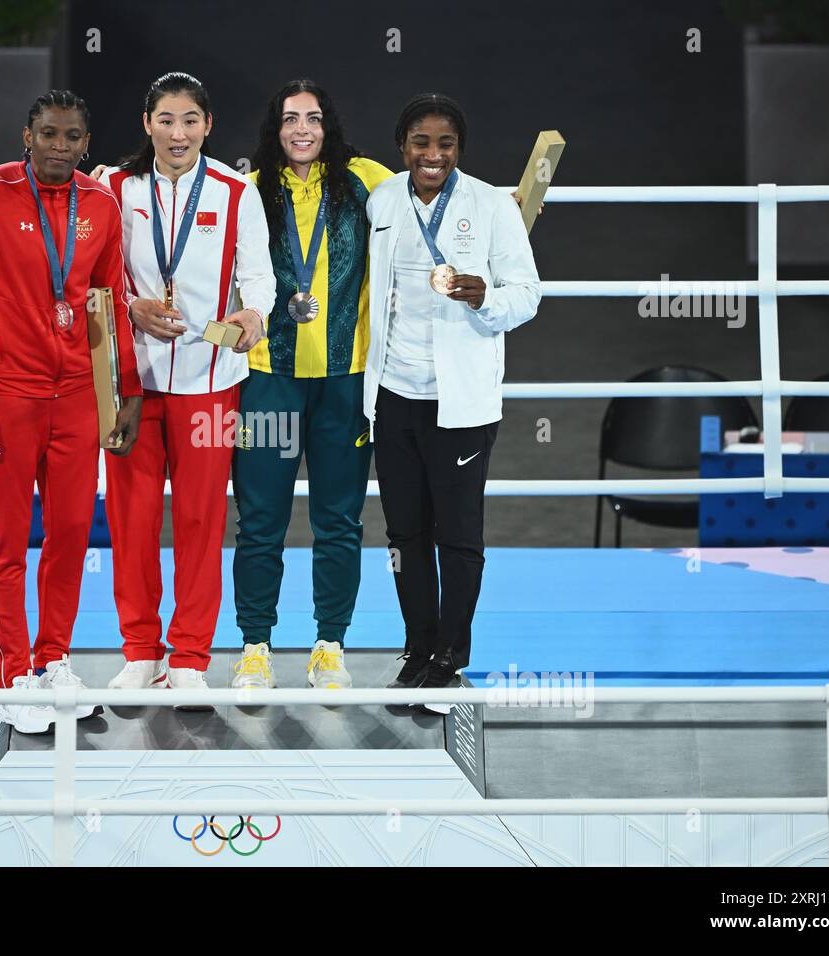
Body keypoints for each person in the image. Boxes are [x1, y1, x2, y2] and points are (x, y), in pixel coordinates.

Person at [0, 89, 143, 734]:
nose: (60, 147)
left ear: (86, 143)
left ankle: (53, 663)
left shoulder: (101, 203)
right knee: (6, 542)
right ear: (27, 136)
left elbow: (110, 300)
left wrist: (125, 389)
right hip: (5, 396)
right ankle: (12, 676)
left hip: (78, 395)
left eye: (72, 137)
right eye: (48, 134)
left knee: (72, 536)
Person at [96, 72, 275, 700]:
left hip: (213, 379)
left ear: (208, 126)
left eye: (190, 120)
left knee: (202, 518)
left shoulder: (234, 190)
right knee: (132, 518)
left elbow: (260, 276)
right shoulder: (111, 186)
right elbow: (89, 272)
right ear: (146, 123)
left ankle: (192, 655)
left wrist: (254, 315)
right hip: (129, 379)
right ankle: (141, 651)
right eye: (166, 119)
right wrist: (130, 308)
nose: (178, 132)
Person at [363, 94, 540, 709]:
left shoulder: (492, 205)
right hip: (392, 394)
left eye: (444, 143)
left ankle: (450, 655)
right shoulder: (382, 200)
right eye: (420, 142)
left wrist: (482, 296)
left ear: (459, 149)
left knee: (458, 536)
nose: (432, 154)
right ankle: (416, 648)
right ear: (402, 146)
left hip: (459, 403)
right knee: (404, 532)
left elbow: (527, 294)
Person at [230, 79, 393, 690]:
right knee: (261, 518)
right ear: (275, 128)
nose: (303, 129)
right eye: (291, 118)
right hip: (270, 379)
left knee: (339, 519)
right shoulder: (248, 191)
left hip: (344, 381)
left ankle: (330, 645)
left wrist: (502, 203)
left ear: (330, 125)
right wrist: (115, 178)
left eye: (314, 118)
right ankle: (254, 647)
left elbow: (435, 200)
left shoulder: (367, 179)